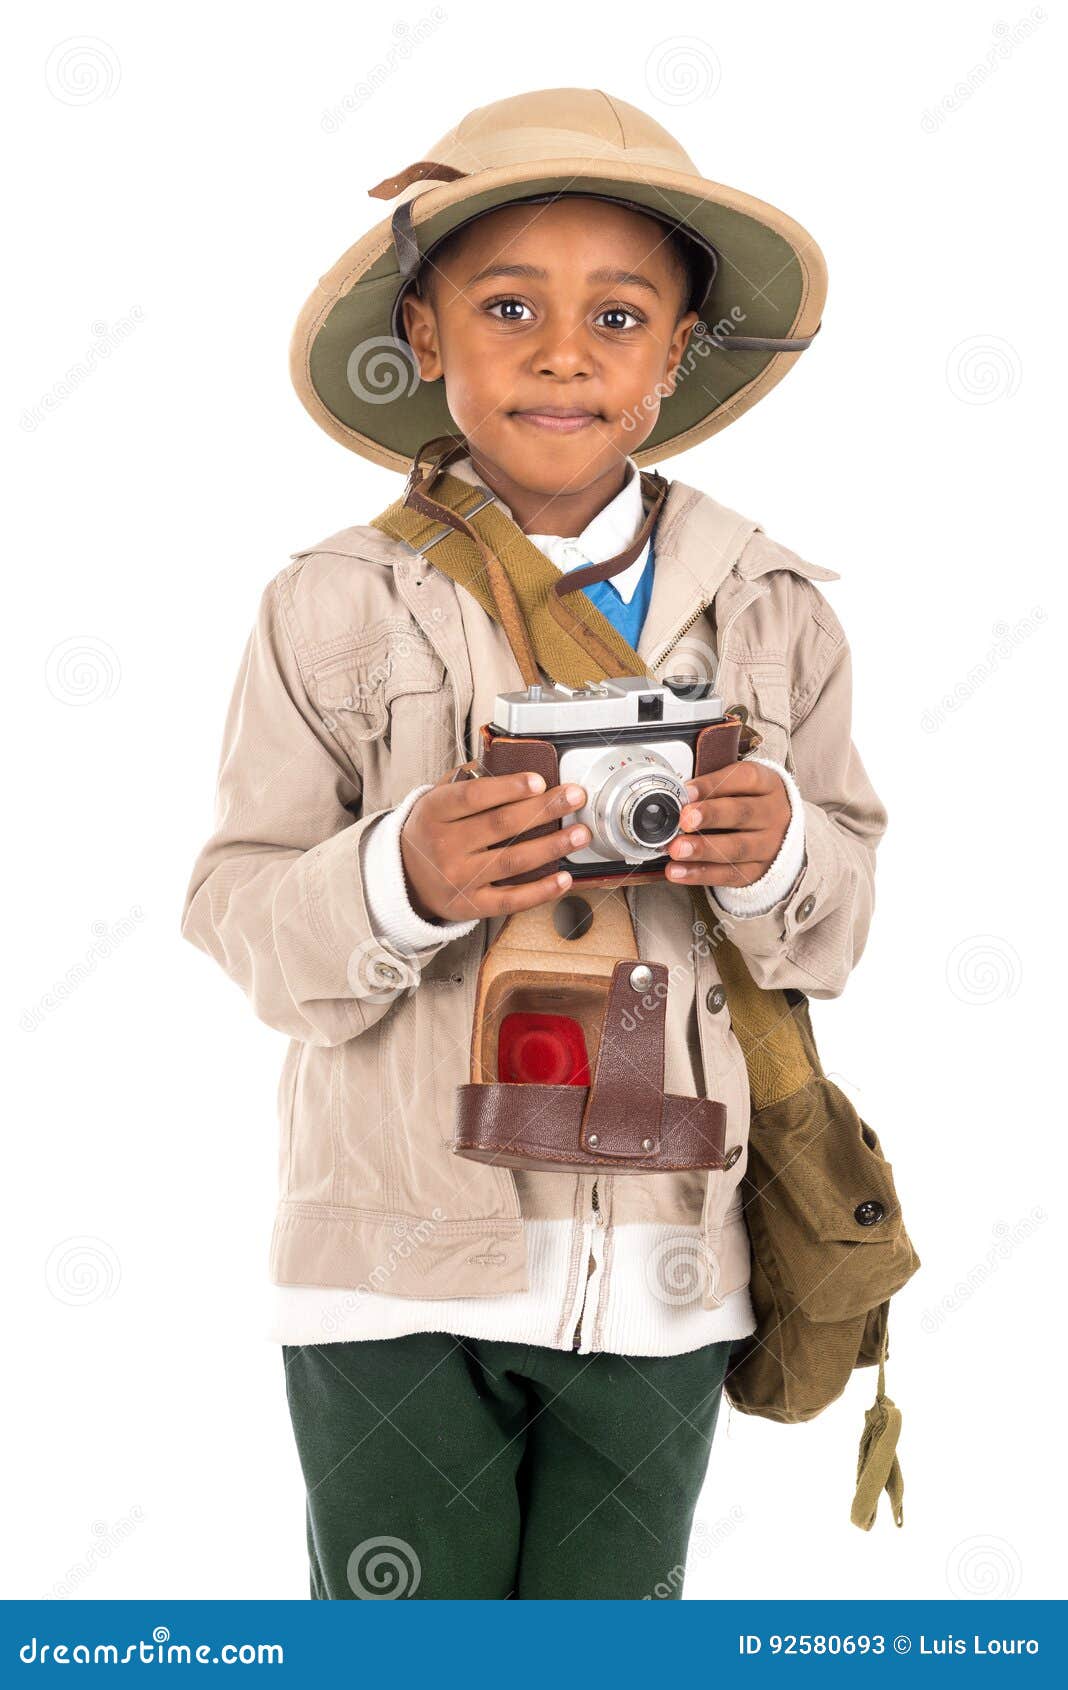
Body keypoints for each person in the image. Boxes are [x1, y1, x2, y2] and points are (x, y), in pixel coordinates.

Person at [181, 87, 887, 1600]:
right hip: (393, 1261)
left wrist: (773, 853)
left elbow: (840, 913)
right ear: (424, 336)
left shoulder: (774, 610)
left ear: (681, 351)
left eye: (621, 315)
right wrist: (400, 875)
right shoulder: (327, 604)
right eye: (509, 305)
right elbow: (234, 905)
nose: (566, 353)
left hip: (669, 1273)